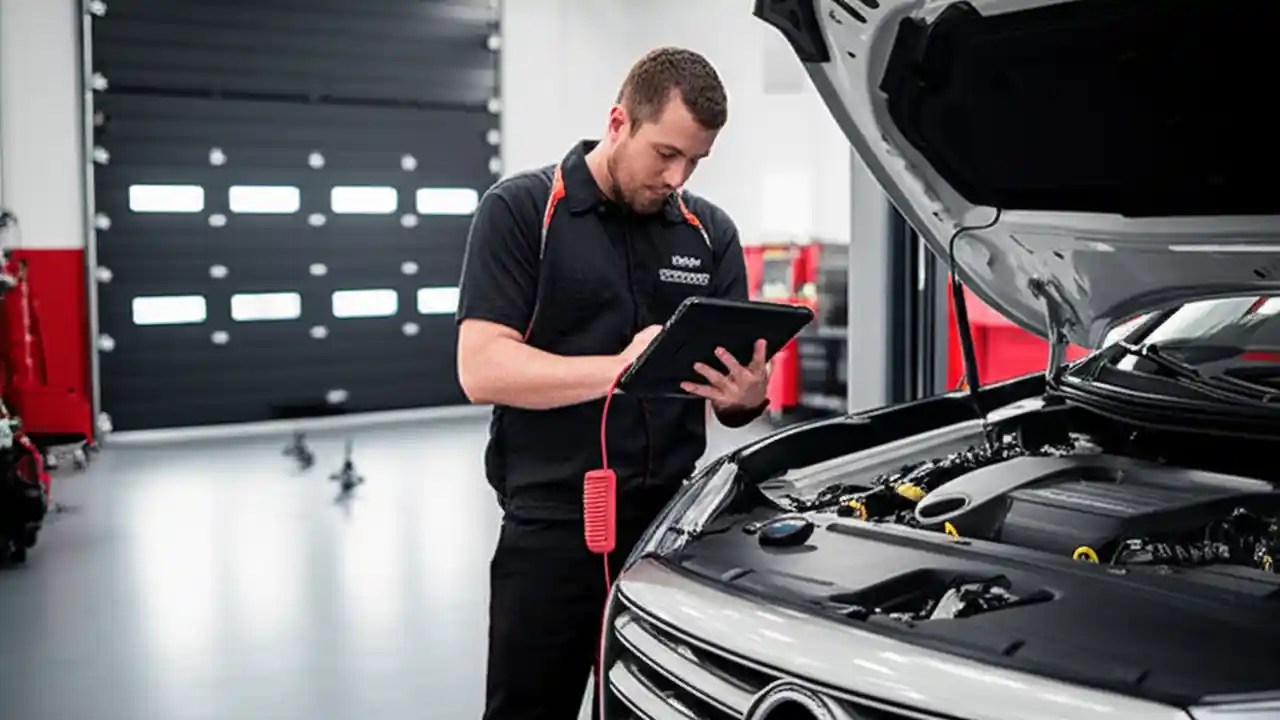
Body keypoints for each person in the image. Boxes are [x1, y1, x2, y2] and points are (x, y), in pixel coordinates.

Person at [455, 46, 770, 719]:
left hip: (672, 525)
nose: (677, 176)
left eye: (695, 161)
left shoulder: (708, 233)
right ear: (619, 121)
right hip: (552, 527)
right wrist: (620, 371)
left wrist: (746, 400)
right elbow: (481, 368)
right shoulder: (521, 211)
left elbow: (734, 397)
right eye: (664, 153)